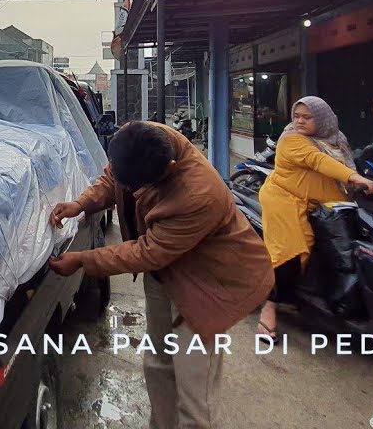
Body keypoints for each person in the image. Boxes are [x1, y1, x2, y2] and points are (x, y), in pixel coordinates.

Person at [48, 122, 274, 429]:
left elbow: (146, 251)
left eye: (138, 187)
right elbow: (111, 180)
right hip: (163, 274)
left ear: (167, 170)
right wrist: (80, 204)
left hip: (206, 284)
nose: (129, 192)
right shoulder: (137, 140)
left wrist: (83, 260)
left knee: (195, 386)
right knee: (157, 363)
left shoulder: (198, 194)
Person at [256, 97, 373, 341]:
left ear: (322, 119)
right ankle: (269, 310)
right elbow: (318, 161)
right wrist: (354, 179)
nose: (299, 121)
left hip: (326, 205)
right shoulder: (292, 139)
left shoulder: (335, 138)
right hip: (286, 200)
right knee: (292, 254)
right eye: (297, 115)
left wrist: (366, 177)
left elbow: (346, 160)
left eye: (306, 117)